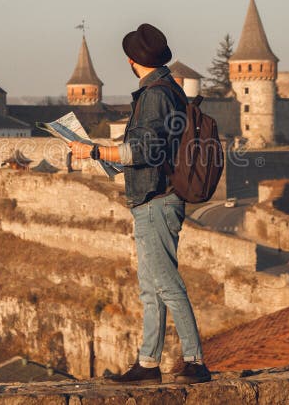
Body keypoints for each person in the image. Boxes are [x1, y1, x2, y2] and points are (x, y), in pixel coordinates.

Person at [69, 23, 211, 385]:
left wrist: (95, 150)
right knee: (151, 288)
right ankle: (148, 363)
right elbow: (147, 154)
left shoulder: (154, 96)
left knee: (166, 283)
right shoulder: (168, 90)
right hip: (155, 197)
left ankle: (195, 361)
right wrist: (100, 155)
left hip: (156, 200)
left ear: (132, 60)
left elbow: (145, 150)